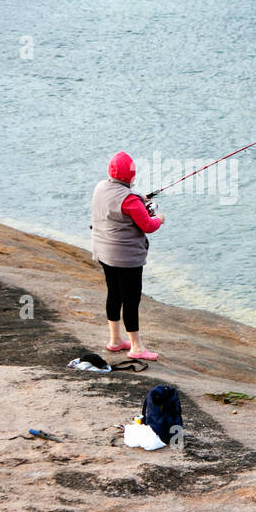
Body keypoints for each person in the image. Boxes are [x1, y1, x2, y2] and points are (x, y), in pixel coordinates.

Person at [90, 152, 164, 360]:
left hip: (104, 252)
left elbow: (120, 198)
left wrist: (140, 198)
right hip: (126, 258)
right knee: (131, 299)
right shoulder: (130, 200)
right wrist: (159, 218)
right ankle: (137, 348)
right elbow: (148, 225)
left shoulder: (101, 187)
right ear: (130, 175)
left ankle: (114, 340)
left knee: (114, 293)